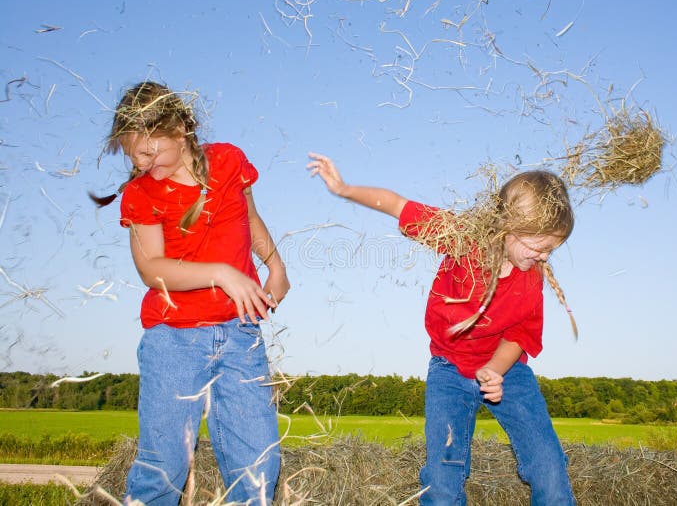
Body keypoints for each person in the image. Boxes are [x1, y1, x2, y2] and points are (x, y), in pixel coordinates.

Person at [307, 152, 576, 505]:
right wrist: (344, 188)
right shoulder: (462, 239)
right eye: (539, 247)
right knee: (442, 476)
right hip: (449, 370)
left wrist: (495, 371)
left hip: (508, 371)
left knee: (548, 465)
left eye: (551, 251)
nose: (543, 257)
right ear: (508, 225)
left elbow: (520, 334)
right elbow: (397, 205)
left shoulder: (531, 277)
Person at [95, 82, 289, 505]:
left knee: (258, 468)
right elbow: (152, 269)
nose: (145, 165)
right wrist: (221, 273)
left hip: (241, 334)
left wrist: (276, 265)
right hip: (174, 338)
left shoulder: (230, 161)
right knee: (164, 467)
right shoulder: (142, 193)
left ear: (180, 129)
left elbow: (250, 220)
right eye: (135, 158)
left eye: (150, 152)